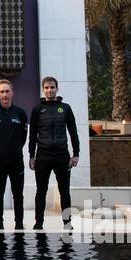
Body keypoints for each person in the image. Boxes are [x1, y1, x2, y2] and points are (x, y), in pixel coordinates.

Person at [29, 75, 81, 230]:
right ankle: (39, 222)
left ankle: (67, 223)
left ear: (57, 89)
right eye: (46, 87)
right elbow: (32, 134)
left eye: (52, 87)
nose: (49, 90)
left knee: (64, 191)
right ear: (43, 90)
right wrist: (31, 156)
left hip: (62, 155)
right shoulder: (38, 109)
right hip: (43, 155)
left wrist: (76, 154)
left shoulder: (65, 108)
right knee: (41, 190)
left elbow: (73, 132)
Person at [0, 79, 28, 230]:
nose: (5, 94)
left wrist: (14, 148)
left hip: (16, 160)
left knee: (18, 194)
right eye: (2, 92)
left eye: (7, 91)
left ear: (12, 92)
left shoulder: (21, 113)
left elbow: (23, 136)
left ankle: (19, 224)